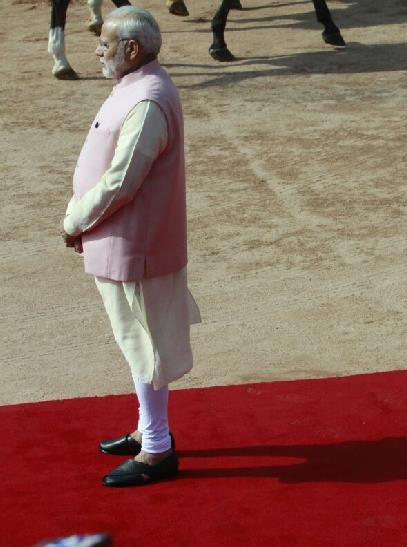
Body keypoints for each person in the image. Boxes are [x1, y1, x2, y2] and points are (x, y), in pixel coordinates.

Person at [60, 6, 200, 487]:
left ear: (132, 49)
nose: (98, 51)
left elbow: (122, 182)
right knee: (136, 343)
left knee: (146, 347)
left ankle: (158, 450)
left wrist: (76, 219)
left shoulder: (148, 100)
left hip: (135, 244)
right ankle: (148, 432)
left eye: (104, 43)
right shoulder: (138, 88)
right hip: (124, 241)